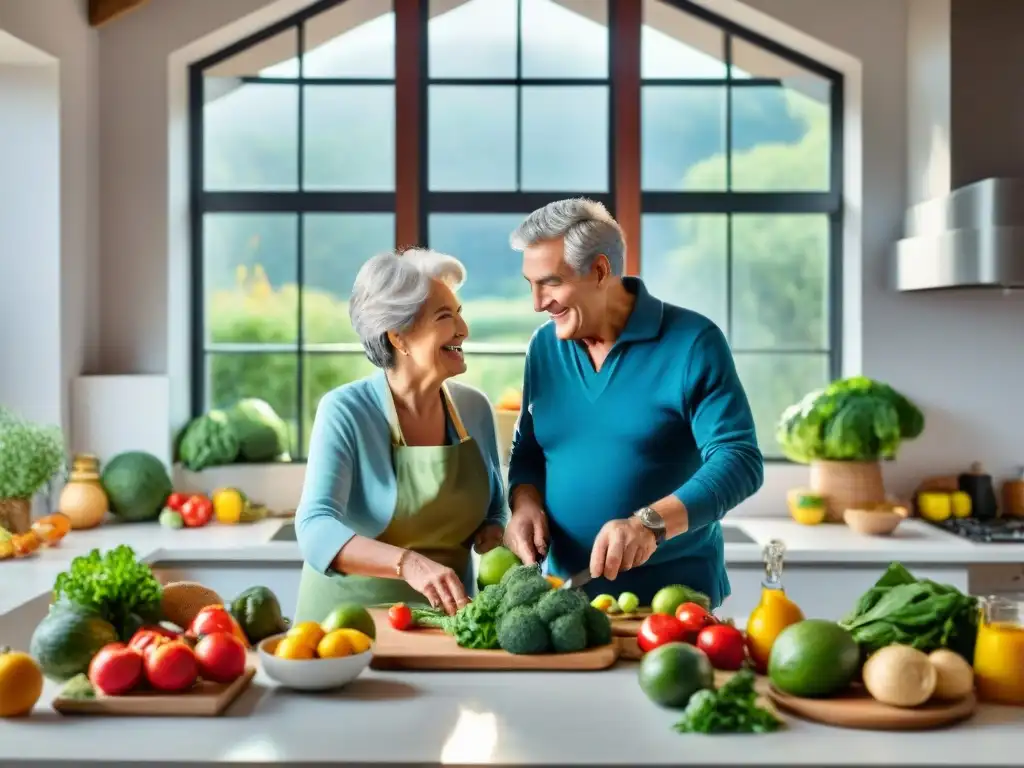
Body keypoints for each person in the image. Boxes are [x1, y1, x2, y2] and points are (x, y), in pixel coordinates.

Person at [502, 198, 764, 609]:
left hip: (672, 603)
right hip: (561, 600)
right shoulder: (543, 348)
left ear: (601, 271)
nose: (537, 303)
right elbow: (530, 449)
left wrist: (649, 524)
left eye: (551, 282)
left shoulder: (693, 342)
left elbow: (739, 460)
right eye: (530, 284)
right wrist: (524, 502)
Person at [293, 248, 507, 621]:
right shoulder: (346, 410)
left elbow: (495, 510)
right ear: (399, 337)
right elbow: (314, 528)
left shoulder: (475, 409)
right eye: (445, 316)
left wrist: (495, 532)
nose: (463, 330)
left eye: (460, 313)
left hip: (449, 623)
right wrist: (409, 563)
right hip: (350, 624)